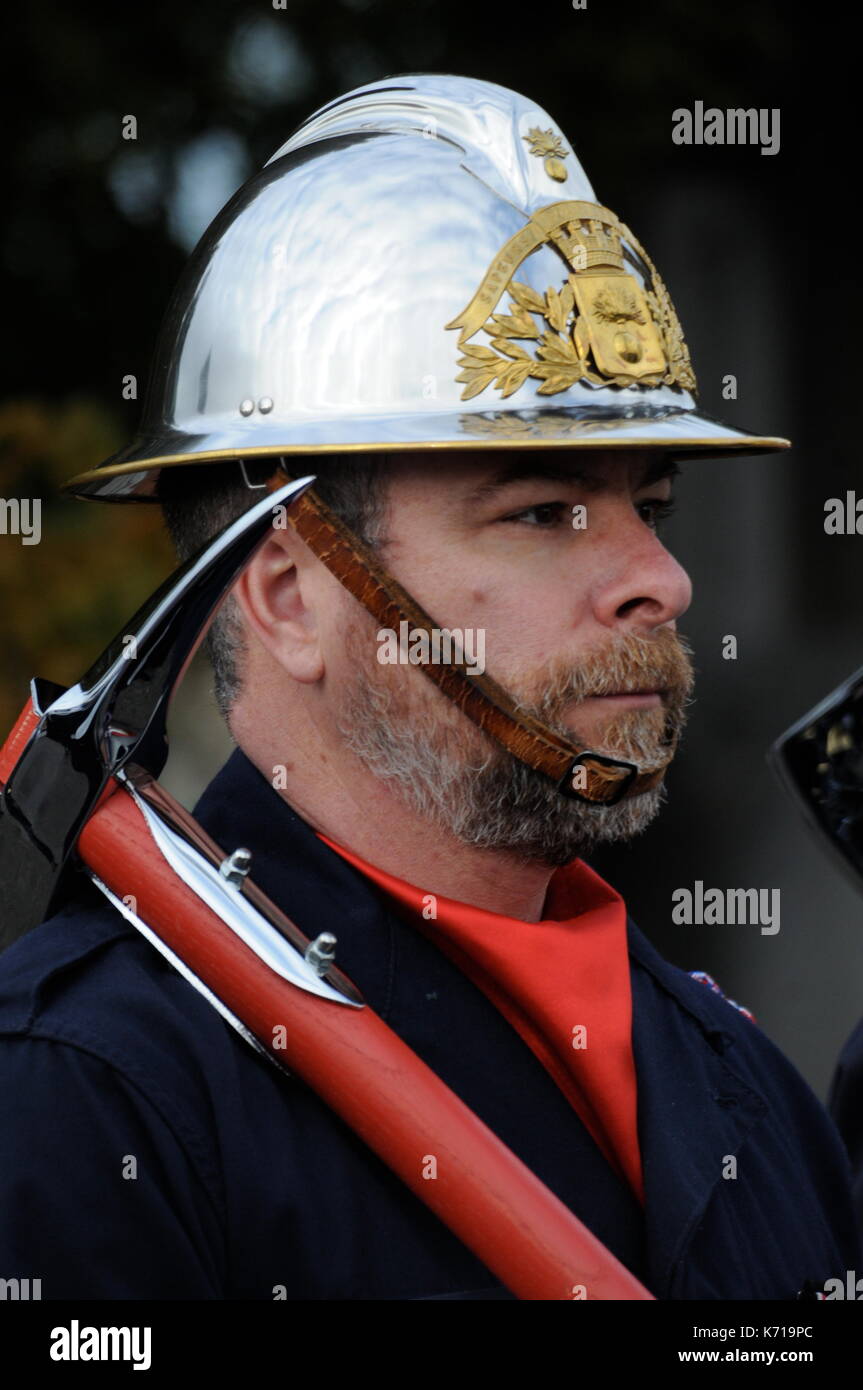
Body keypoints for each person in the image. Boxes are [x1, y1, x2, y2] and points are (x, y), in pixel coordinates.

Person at [0, 74, 857, 1301]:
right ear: (290, 593)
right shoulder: (82, 1093)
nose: (658, 578)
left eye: (650, 506)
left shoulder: (742, 1083)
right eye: (543, 512)